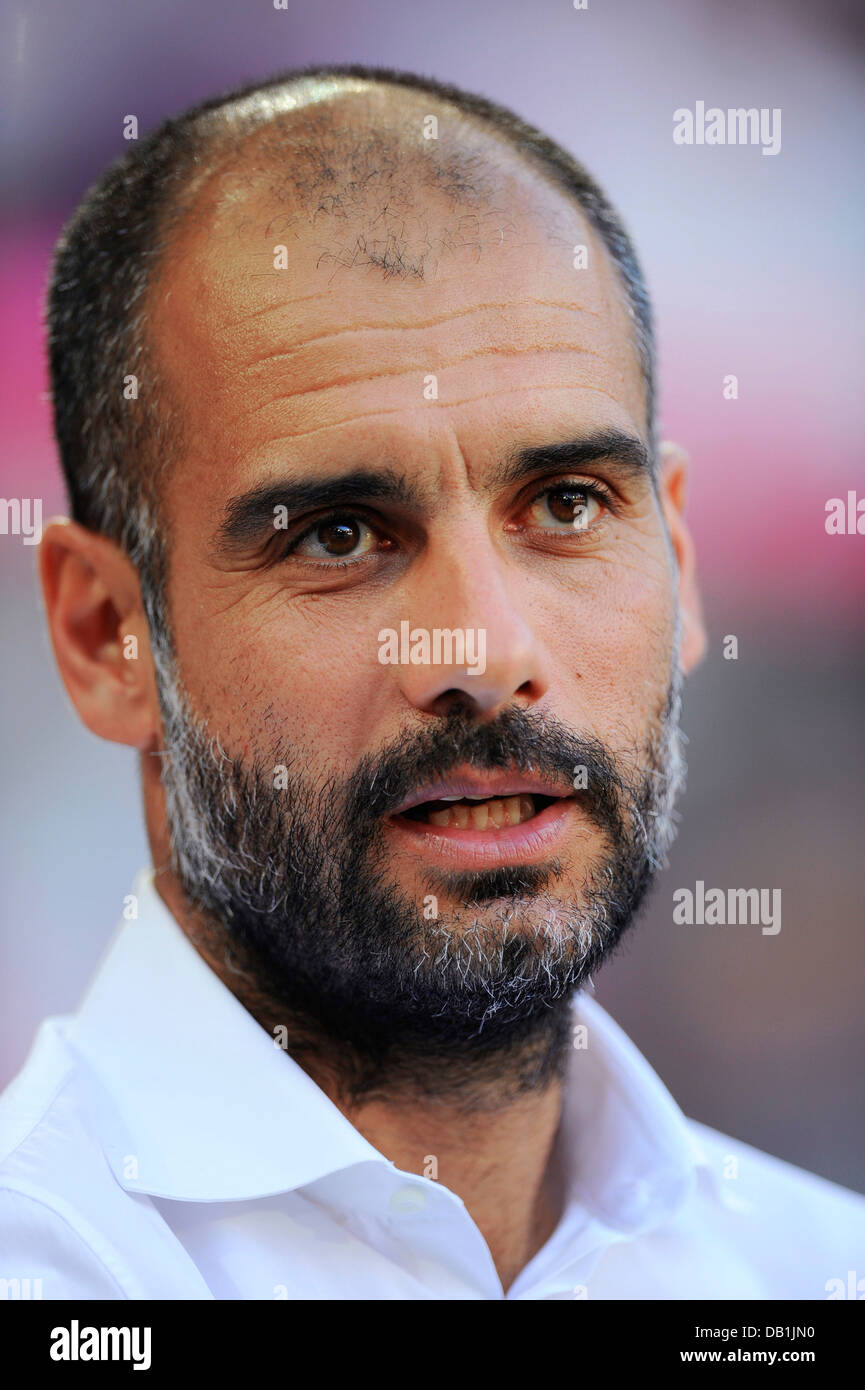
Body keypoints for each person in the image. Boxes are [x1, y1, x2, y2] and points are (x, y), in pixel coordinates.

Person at [1, 63, 861, 1301]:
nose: (486, 652)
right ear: (103, 635)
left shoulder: (814, 1273)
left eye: (566, 506)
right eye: (340, 534)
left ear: (674, 557)